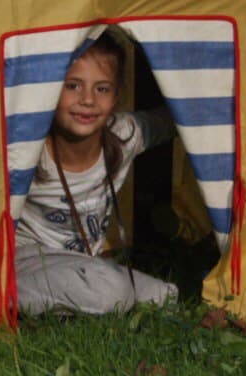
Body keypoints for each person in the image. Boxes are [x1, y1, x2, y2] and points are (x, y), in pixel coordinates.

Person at [14, 31, 179, 315]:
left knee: (164, 295)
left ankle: (71, 300)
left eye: (102, 89)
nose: (87, 100)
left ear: (116, 97)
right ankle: (3, 296)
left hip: (85, 264)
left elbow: (177, 120)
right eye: (73, 86)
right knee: (110, 291)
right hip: (28, 259)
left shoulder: (124, 134)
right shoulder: (29, 147)